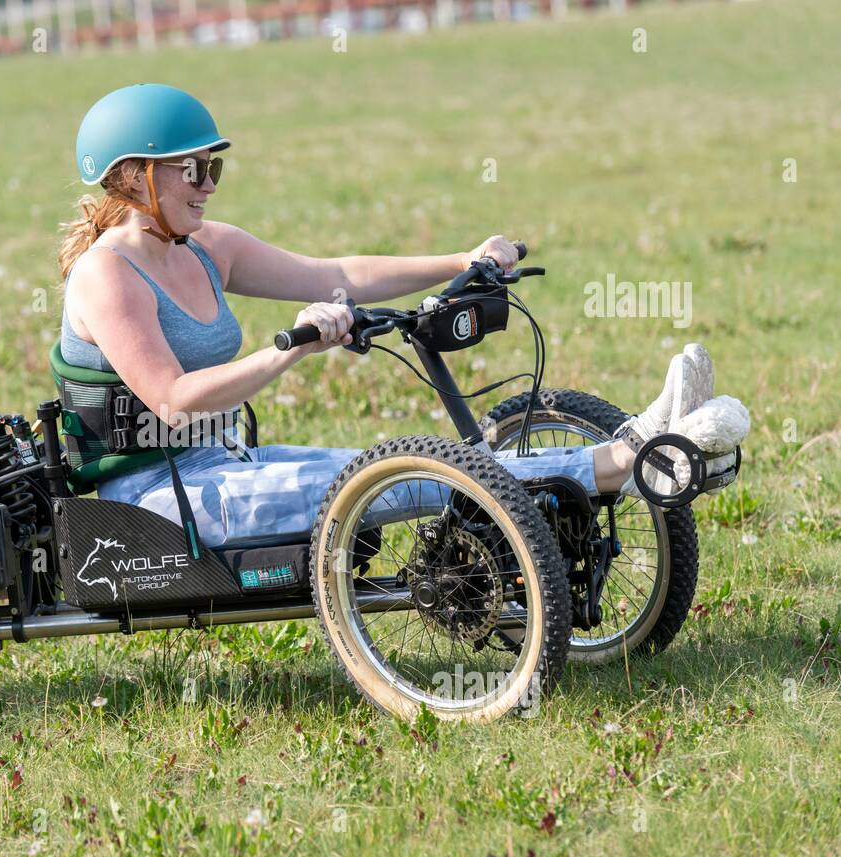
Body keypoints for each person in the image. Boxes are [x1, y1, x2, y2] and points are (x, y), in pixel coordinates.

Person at [56, 84, 748, 548]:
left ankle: (634, 452)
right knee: (399, 480)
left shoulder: (206, 247)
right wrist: (291, 349)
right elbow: (172, 401)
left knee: (386, 466)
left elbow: (339, 274)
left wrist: (459, 260)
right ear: (133, 175)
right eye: (192, 171)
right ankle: (629, 458)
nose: (208, 185)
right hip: (151, 503)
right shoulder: (108, 275)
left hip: (224, 464)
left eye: (214, 169)